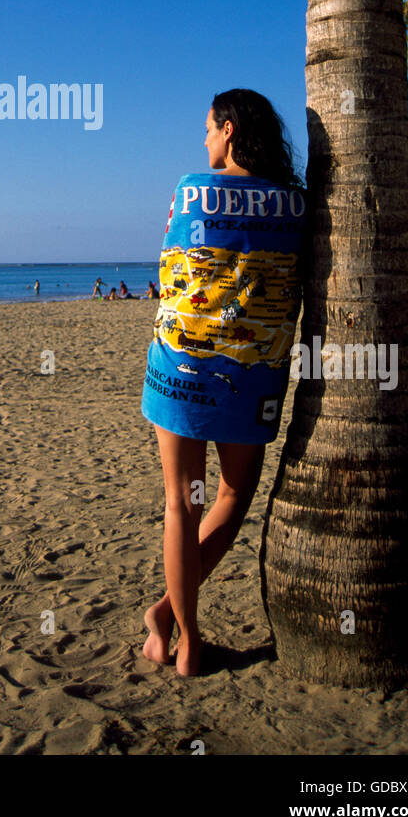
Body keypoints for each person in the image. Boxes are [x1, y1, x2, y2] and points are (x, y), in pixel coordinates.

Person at [140, 89, 304, 678]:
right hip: (253, 372)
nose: (204, 140)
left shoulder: (190, 191)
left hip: (180, 364)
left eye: (209, 129)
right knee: (232, 499)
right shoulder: (294, 202)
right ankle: (171, 625)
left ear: (228, 130)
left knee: (181, 503)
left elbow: (169, 266)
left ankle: (182, 634)